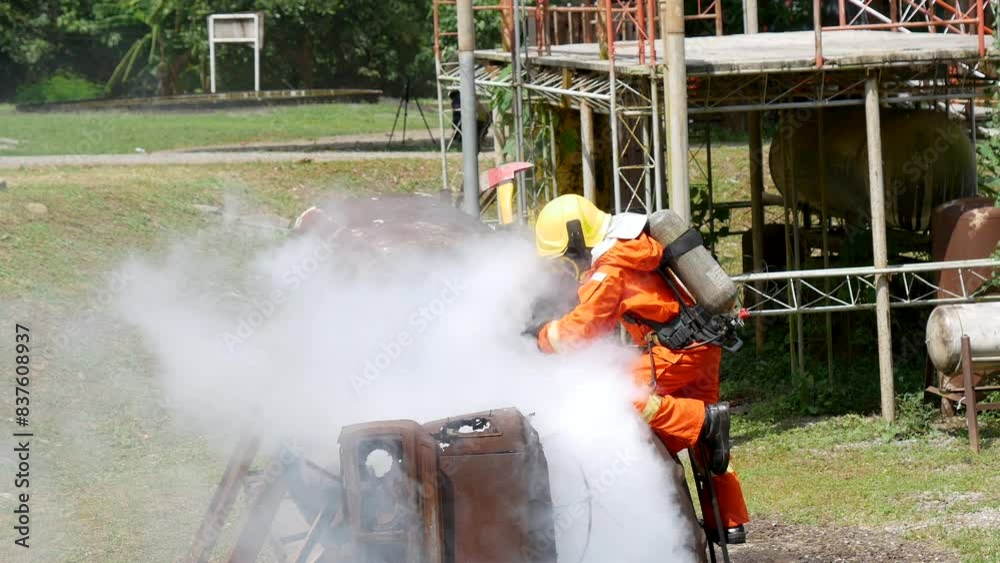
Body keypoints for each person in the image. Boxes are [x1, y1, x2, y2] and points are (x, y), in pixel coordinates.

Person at [525, 194, 750, 543]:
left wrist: (539, 337)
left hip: (680, 351)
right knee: (709, 447)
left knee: (617, 396)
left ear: (575, 240)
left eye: (566, 256)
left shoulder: (611, 269)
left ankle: (702, 420)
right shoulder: (633, 245)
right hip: (701, 346)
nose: (567, 264)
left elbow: (581, 331)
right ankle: (729, 521)